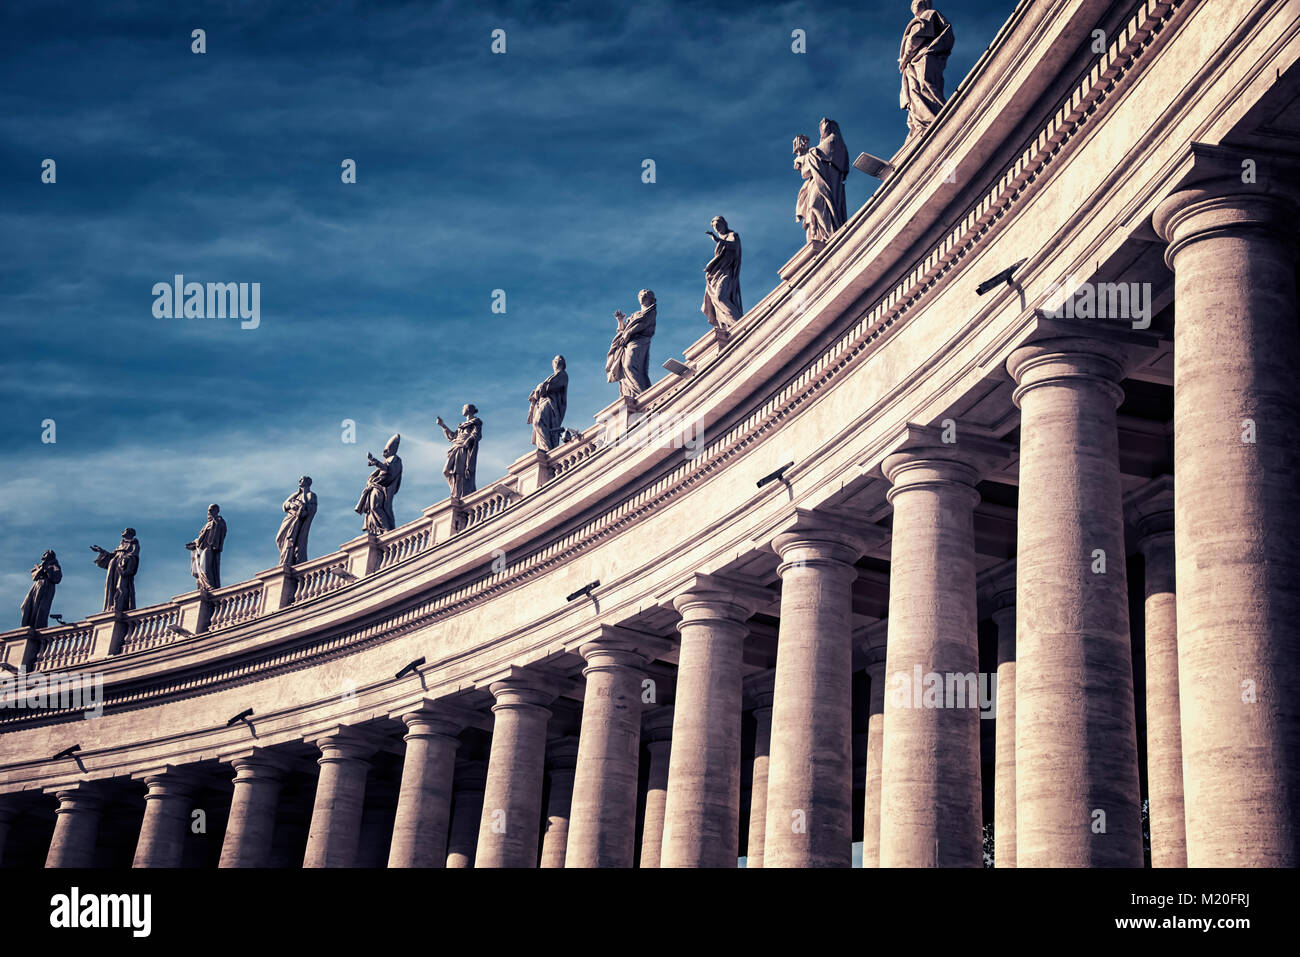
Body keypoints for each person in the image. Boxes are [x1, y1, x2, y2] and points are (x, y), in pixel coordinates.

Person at [899, 0, 954, 138]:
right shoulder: (918, 19)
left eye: (918, 1)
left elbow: (916, 36)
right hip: (913, 62)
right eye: (912, 3)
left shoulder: (929, 15)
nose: (914, 5)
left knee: (925, 85)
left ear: (925, 3)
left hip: (923, 56)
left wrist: (906, 57)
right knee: (914, 91)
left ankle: (934, 117)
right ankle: (921, 123)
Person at [793, 119, 850, 244]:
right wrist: (802, 154)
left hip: (824, 184)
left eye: (824, 125)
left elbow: (813, 160)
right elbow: (808, 168)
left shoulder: (833, 141)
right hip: (817, 182)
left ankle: (828, 234)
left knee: (816, 204)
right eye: (821, 126)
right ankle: (819, 236)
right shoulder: (826, 143)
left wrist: (802, 154)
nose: (822, 128)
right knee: (813, 210)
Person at [605, 289, 657, 397]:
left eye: (645, 296)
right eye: (641, 295)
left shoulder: (651, 311)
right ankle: (630, 394)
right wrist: (620, 321)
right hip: (628, 342)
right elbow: (623, 330)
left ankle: (642, 395)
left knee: (630, 365)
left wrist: (628, 333)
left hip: (639, 341)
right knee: (624, 368)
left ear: (651, 299)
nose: (642, 297)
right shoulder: (635, 314)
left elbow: (644, 324)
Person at [355, 434, 403, 534]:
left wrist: (375, 461)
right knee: (372, 509)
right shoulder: (388, 460)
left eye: (386, 450)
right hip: (375, 487)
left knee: (375, 507)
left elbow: (388, 471)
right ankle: (377, 529)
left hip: (382, 488)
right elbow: (384, 468)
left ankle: (386, 529)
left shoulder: (395, 459)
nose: (384, 452)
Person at [702, 216, 743, 329]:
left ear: (724, 224)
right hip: (716, 274)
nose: (717, 228)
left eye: (718, 225)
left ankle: (738, 324)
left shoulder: (732, 236)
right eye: (715, 227)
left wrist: (718, 240)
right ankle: (725, 325)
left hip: (727, 272)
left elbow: (733, 246)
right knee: (715, 300)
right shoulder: (723, 240)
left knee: (721, 297)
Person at [436, 406, 482, 498]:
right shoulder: (461, 425)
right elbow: (453, 437)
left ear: (468, 410)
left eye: (463, 408)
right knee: (446, 471)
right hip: (456, 446)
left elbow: (477, 435)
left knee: (460, 472)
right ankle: (455, 491)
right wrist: (442, 425)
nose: (462, 410)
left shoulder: (476, 422)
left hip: (464, 447)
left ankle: (459, 494)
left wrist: (467, 441)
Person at [91, 529, 140, 613]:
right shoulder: (121, 545)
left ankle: (119, 606)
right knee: (111, 587)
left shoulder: (134, 544)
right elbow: (111, 556)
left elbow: (134, 556)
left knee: (121, 586)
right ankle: (111, 605)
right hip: (114, 567)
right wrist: (101, 551)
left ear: (130, 534)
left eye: (125, 531)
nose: (123, 532)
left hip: (123, 568)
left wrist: (125, 560)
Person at [528, 357, 569, 451]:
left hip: (550, 404)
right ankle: (544, 447)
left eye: (559, 360)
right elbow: (543, 388)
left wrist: (539, 387)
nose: (556, 362)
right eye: (555, 361)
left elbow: (547, 387)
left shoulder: (562, 375)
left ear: (563, 364)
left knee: (538, 422)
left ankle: (546, 448)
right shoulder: (553, 376)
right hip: (542, 403)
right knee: (541, 425)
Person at [276, 476, 318, 565]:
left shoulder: (311, 495)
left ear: (307, 482)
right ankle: (285, 559)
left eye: (302, 479)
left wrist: (300, 510)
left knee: (290, 540)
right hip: (289, 520)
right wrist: (291, 505)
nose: (299, 481)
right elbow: (284, 506)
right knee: (279, 539)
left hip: (297, 522)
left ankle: (287, 561)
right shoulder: (295, 494)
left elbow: (310, 510)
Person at [186, 503, 226, 592]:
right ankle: (202, 586)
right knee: (200, 568)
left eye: (211, 509)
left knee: (205, 566)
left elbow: (221, 530)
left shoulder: (219, 521)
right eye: (209, 510)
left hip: (209, 547)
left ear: (216, 511)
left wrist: (215, 518)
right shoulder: (206, 525)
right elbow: (201, 538)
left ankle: (209, 585)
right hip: (200, 548)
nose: (209, 511)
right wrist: (194, 543)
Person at [19, 550, 61, 629]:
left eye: (45, 555)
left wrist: (48, 569)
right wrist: (42, 568)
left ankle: (36, 628)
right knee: (25, 606)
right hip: (37, 585)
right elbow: (34, 577)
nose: (43, 557)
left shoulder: (55, 566)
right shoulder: (41, 566)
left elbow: (57, 578)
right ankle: (27, 626)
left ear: (50, 556)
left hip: (46, 586)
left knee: (39, 609)